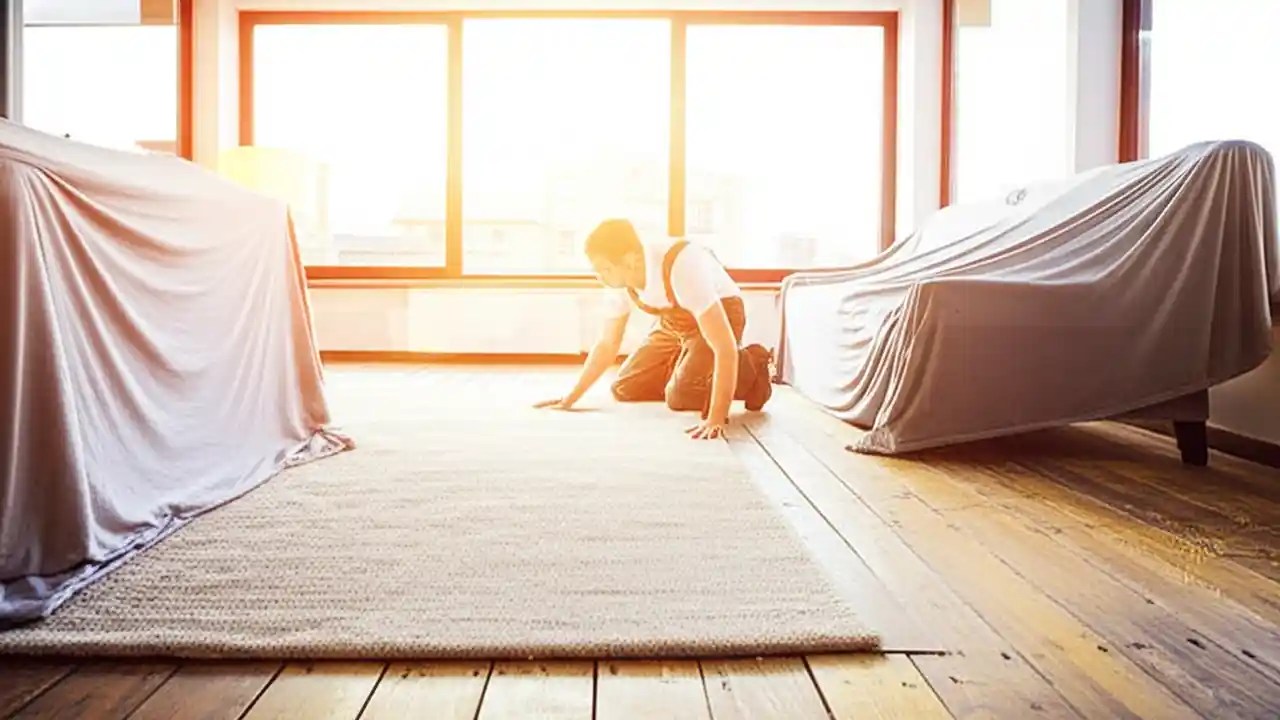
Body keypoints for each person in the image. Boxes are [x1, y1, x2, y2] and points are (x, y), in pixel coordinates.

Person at [535, 218, 774, 439]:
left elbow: (724, 347)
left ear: (629, 260)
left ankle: (755, 364)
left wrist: (716, 418)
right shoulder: (618, 280)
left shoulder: (681, 264)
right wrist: (570, 398)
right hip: (675, 323)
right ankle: (691, 368)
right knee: (625, 387)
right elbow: (607, 344)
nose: (600, 277)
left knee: (680, 396)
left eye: (604, 269)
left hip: (722, 312)